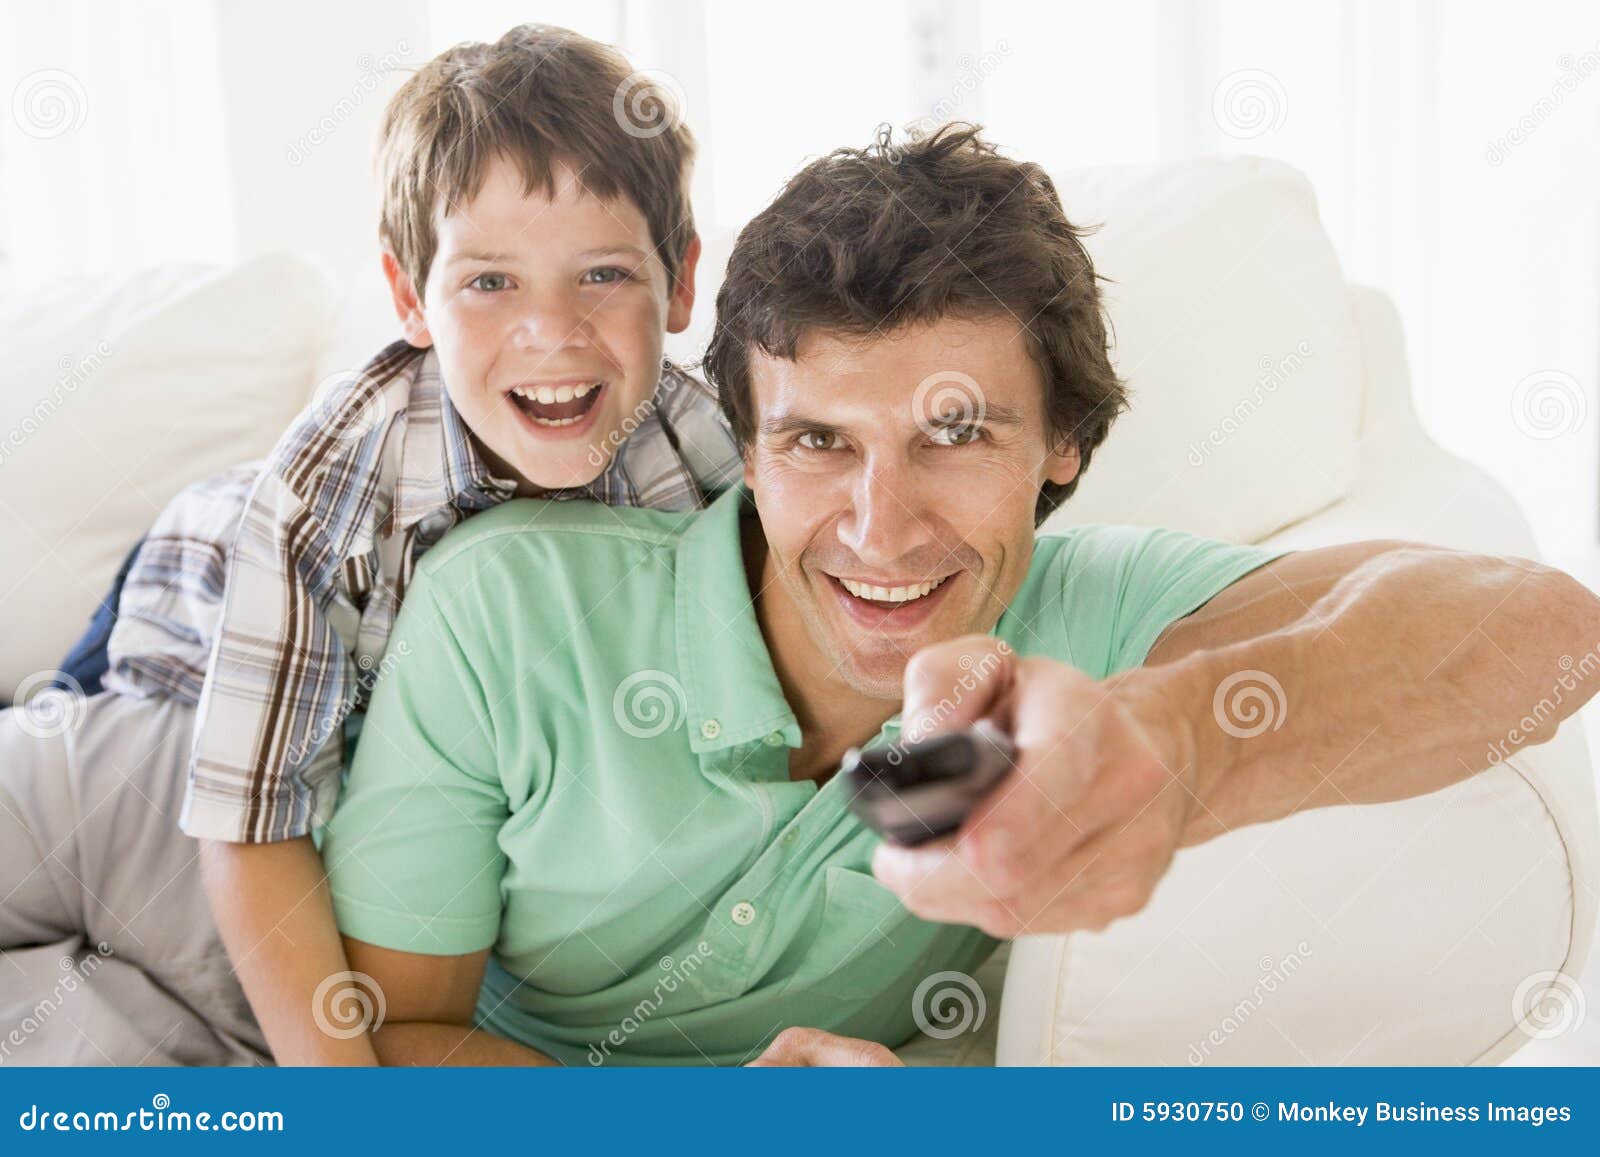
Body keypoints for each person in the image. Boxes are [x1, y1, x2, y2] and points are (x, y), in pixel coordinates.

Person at [316, 124, 1600, 1066]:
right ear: (746, 448)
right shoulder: (506, 609)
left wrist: (1183, 734)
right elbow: (397, 1037)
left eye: (955, 434)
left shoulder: (1096, 610)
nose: (882, 528)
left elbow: (1544, 631)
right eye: (819, 442)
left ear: (1063, 450)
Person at [0, 23, 739, 1066]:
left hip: (370, 728)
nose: (553, 331)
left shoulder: (702, 445)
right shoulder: (330, 488)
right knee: (115, 852)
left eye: (603, 274)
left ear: (680, 280)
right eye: (490, 282)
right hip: (184, 624)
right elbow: (251, 811)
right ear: (408, 300)